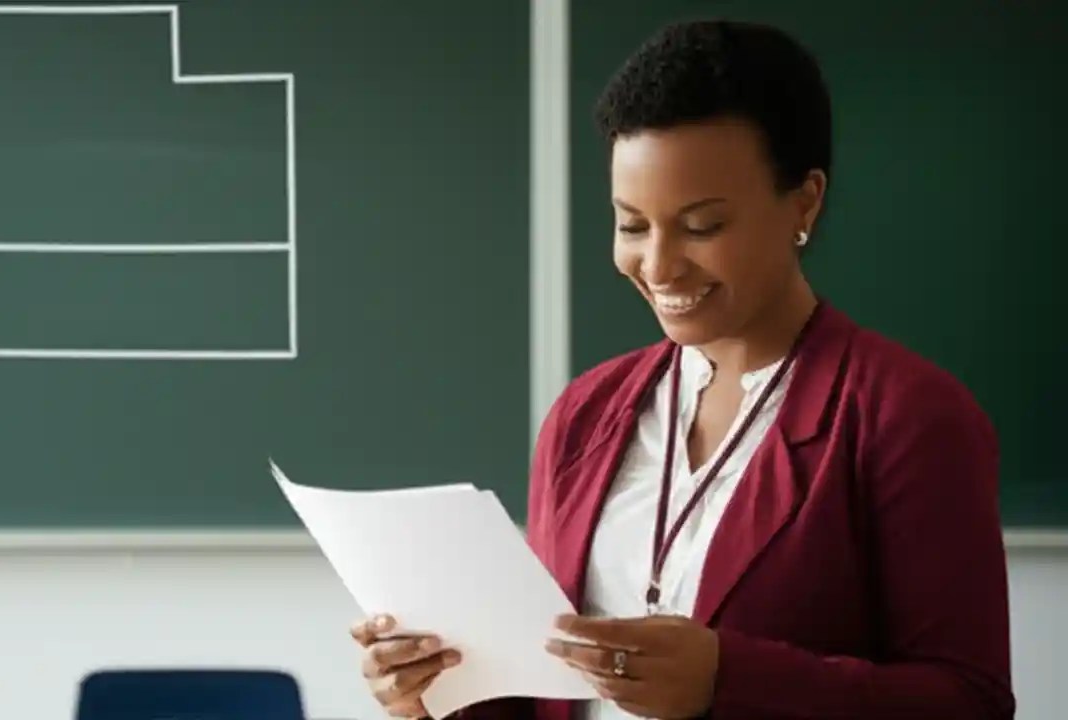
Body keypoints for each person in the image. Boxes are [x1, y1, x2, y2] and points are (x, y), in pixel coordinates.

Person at [348, 18, 1014, 720]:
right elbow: (547, 691)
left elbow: (968, 701)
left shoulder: (906, 416)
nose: (658, 266)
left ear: (805, 202)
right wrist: (435, 693)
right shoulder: (586, 414)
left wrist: (730, 680)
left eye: (702, 227)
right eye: (632, 224)